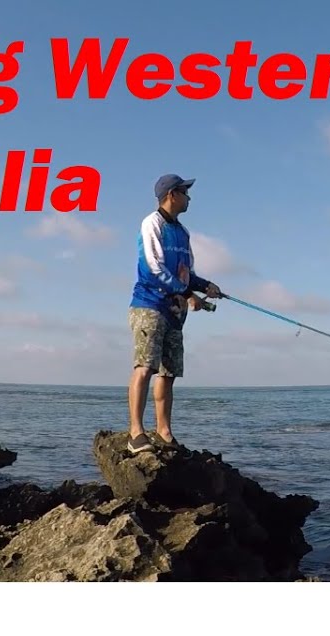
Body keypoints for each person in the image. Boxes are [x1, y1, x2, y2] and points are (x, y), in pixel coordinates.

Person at [126, 173, 222, 454]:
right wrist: (184, 290)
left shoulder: (183, 232)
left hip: (175, 311)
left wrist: (204, 286)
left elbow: (186, 273)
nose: (189, 197)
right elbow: (152, 267)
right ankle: (136, 433)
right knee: (145, 367)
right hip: (149, 304)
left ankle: (164, 431)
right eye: (185, 191)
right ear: (172, 195)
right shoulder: (151, 223)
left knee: (168, 374)